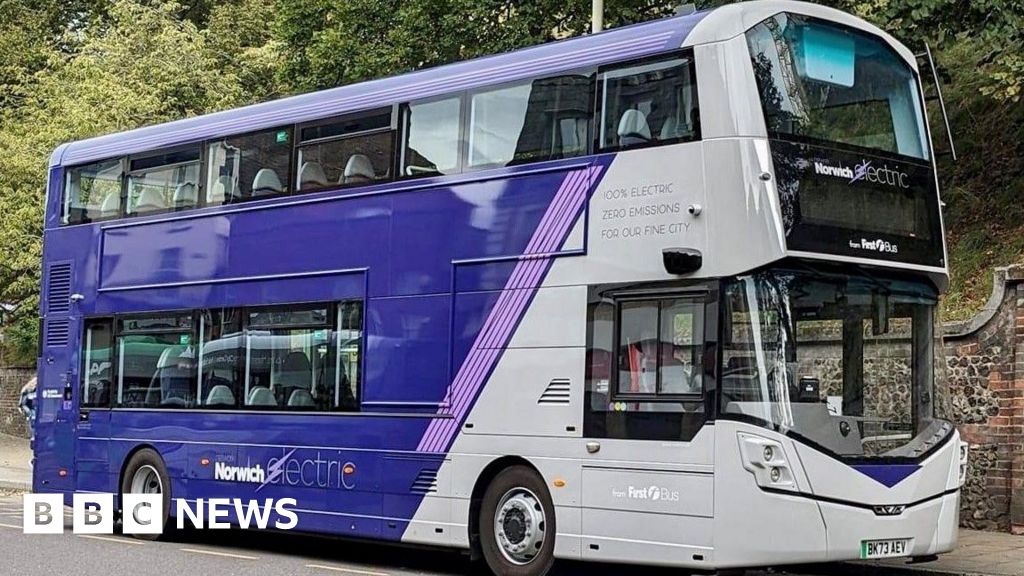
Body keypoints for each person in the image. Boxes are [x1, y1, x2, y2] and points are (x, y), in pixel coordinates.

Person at [18, 377, 37, 443]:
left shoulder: (40, 390)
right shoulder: (26, 391)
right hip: (31, 410)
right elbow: (23, 404)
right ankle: (33, 437)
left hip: (38, 410)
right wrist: (29, 412)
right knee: (33, 421)